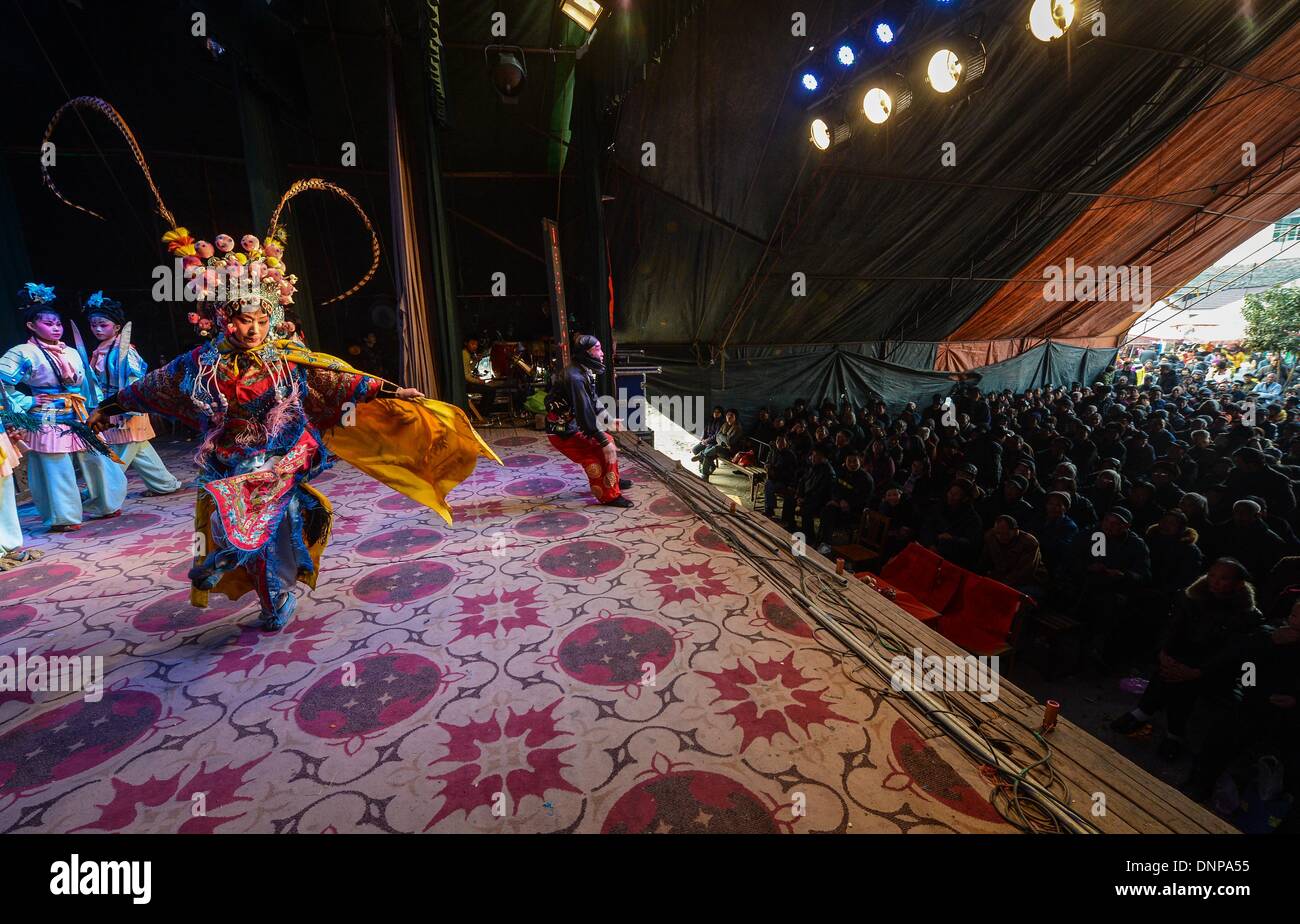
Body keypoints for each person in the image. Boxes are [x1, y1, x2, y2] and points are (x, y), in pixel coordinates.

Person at [46, 110, 500, 629]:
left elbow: (335, 376)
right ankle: (258, 579)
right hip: (229, 460)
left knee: (274, 523)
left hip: (285, 455)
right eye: (242, 319)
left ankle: (273, 588)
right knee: (240, 523)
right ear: (222, 319)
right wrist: (110, 407)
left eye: (262, 319)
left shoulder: (286, 359)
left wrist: (391, 391)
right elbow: (149, 387)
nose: (253, 329)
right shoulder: (197, 365)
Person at [0, 283, 126, 531]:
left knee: (97, 458)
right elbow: (3, 383)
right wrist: (27, 401)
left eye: (57, 323)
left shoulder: (70, 351)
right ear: (31, 326)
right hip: (47, 415)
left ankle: (105, 504)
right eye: (48, 323)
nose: (56, 328)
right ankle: (63, 517)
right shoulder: (24, 352)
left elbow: (88, 382)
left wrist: (100, 408)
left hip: (78, 411)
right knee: (55, 466)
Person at [1111, 559, 1261, 759]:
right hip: (1183, 655)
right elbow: (1173, 627)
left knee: (1184, 679)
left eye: (1223, 578)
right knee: (1171, 669)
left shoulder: (1247, 615)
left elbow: (1231, 653)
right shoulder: (1192, 597)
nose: (1215, 582)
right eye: (1212, 575)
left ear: (1238, 584)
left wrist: (1198, 671)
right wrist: (1164, 652)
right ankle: (1155, 719)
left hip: (1215, 668)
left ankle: (1164, 725)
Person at [82, 291, 183, 497]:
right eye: (94, 325)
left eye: (103, 324)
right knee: (140, 449)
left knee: (117, 455)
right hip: (108, 407)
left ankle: (104, 494)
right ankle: (164, 484)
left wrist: (124, 407)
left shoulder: (125, 351)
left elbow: (135, 381)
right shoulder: (101, 349)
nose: (98, 329)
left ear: (117, 327)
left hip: (124, 408)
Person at [546, 334, 633, 507]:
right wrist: (601, 438)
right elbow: (584, 412)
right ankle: (610, 495)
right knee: (598, 453)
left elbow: (592, 400)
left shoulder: (581, 370)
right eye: (598, 349)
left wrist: (608, 419)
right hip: (562, 432)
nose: (602, 354)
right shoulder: (575, 377)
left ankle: (613, 479)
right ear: (587, 352)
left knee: (606, 443)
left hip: (570, 426)